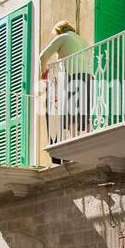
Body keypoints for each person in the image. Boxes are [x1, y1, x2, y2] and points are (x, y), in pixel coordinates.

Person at [38, 21, 90, 156]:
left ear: (59, 31)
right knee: (85, 112)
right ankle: (89, 139)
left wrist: (43, 72)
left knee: (71, 112)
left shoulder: (62, 37)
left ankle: (73, 142)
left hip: (73, 75)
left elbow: (42, 56)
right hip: (89, 77)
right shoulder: (82, 41)